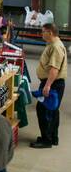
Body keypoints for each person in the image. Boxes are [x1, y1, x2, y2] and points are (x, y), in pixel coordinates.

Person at [32, 21, 67, 149]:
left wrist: (47, 86)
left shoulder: (56, 47)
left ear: (50, 32)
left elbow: (54, 69)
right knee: (53, 111)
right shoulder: (53, 44)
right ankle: (52, 137)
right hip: (52, 83)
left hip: (52, 84)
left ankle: (46, 140)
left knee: (44, 110)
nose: (41, 34)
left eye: (43, 31)